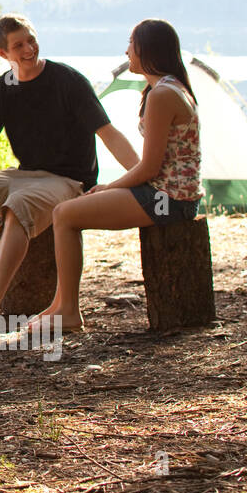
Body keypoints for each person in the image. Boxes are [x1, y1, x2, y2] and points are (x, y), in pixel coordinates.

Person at [0, 15, 141, 343]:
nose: (29, 49)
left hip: (67, 179)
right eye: (18, 45)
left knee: (17, 204)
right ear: (2, 53)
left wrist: (139, 175)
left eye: (31, 40)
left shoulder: (68, 81)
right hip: (22, 175)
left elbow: (110, 134)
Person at [30, 19, 201, 331]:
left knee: (65, 215)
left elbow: (149, 168)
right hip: (170, 194)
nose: (126, 51)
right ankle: (60, 305)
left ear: (147, 49)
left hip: (168, 199)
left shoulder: (163, 94)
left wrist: (108, 187)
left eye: (131, 44)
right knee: (64, 213)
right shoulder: (167, 88)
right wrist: (110, 189)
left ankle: (67, 310)